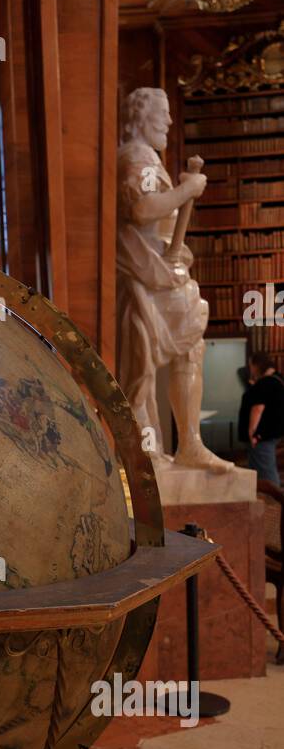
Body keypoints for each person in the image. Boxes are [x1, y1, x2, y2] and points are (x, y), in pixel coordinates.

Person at [117, 87, 232, 473]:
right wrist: (187, 190)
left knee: (175, 353)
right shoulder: (138, 157)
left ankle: (186, 445)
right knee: (150, 364)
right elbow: (142, 209)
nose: (168, 121)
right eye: (162, 113)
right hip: (149, 276)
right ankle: (178, 446)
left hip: (159, 272)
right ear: (142, 116)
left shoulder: (146, 157)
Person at [238, 353, 284, 485]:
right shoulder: (277, 379)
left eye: (251, 365)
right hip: (271, 432)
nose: (250, 368)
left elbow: (258, 408)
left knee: (265, 471)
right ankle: (263, 498)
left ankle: (275, 502)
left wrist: (252, 432)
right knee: (259, 469)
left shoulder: (266, 383)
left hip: (262, 435)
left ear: (257, 365)